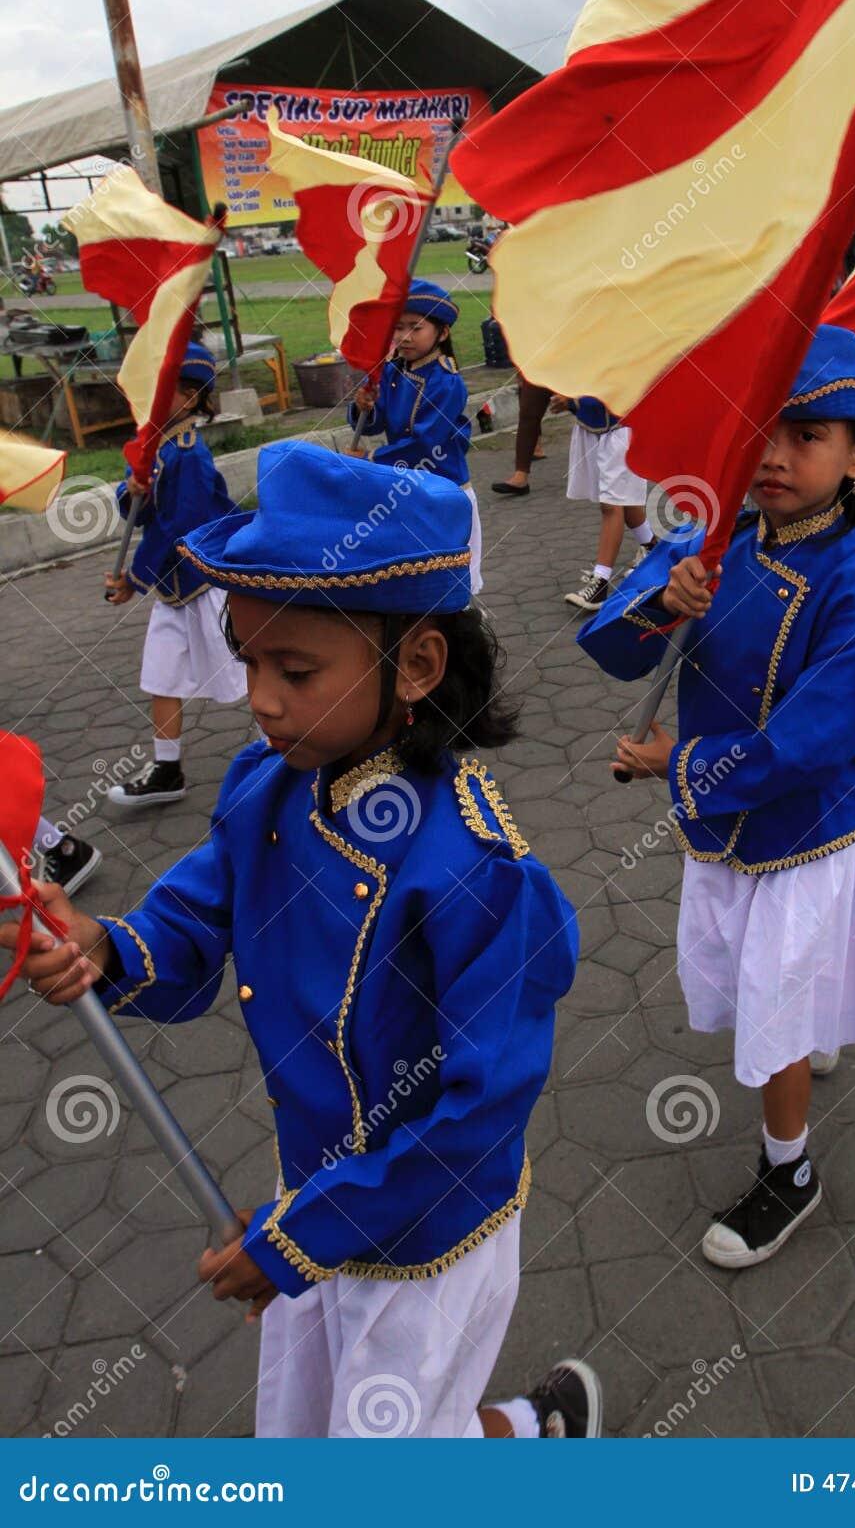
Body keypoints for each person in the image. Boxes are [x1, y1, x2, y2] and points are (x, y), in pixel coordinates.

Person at [8, 443, 600, 1439]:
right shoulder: (264, 781)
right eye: (247, 661)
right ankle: (532, 1430)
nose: (262, 699)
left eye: (296, 669)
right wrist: (106, 947)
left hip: (422, 1233)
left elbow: (475, 1117)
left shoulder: (473, 866)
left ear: (415, 664)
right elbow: (197, 914)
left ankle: (527, 1430)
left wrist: (297, 1241)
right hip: (314, 1191)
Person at [578, 326, 855, 1268]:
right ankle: (806, 1052)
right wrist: (661, 604)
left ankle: (790, 1170)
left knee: (770, 1006)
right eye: (762, 430)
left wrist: (675, 766)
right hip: (724, 825)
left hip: (805, 830)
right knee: (772, 987)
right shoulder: (709, 540)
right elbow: (604, 650)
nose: (772, 454)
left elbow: (815, 739)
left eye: (806, 436)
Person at [103, 343, 246, 806]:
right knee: (161, 677)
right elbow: (140, 514)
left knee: (249, 668)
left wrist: (134, 579)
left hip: (207, 582)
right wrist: (132, 491)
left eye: (155, 388)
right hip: (172, 587)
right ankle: (167, 770)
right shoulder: (151, 447)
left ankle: (289, 749)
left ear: (188, 396)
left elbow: (176, 525)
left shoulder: (188, 455)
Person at [347, 280, 483, 593]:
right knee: (414, 574)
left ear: (442, 333)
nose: (404, 337)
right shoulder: (392, 370)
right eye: (398, 327)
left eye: (416, 327)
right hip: (403, 485)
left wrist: (368, 460)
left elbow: (425, 444)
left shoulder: (447, 383)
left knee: (451, 578)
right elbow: (375, 424)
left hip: (443, 489)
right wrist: (362, 407)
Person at [557, 393, 654, 612]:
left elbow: (616, 382)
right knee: (624, 500)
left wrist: (573, 401)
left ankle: (600, 582)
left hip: (621, 425)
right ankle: (654, 549)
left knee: (610, 505)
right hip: (593, 425)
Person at [491, 372, 552, 497]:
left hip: (570, 362)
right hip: (538, 365)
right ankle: (521, 476)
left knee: (583, 408)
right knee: (528, 415)